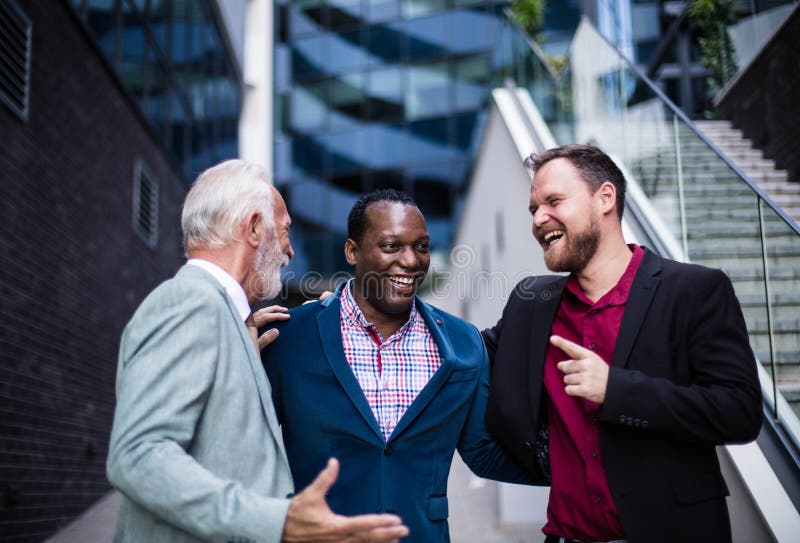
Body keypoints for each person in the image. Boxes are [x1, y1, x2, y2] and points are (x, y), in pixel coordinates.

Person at [106, 160, 408, 543]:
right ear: (253, 228)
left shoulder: (229, 321)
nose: (290, 251)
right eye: (284, 232)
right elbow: (137, 455)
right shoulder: (190, 303)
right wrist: (277, 521)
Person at [483, 144, 763, 543]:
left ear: (605, 198)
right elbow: (469, 355)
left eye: (553, 201)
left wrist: (617, 390)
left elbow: (739, 413)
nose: (538, 218)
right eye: (534, 209)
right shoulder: (532, 302)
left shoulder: (695, 291)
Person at [259, 189, 539, 543]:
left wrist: (584, 469)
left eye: (421, 247)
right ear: (352, 251)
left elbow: (482, 452)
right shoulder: (287, 338)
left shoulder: (463, 343)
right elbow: (250, 449)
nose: (410, 261)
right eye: (392, 246)